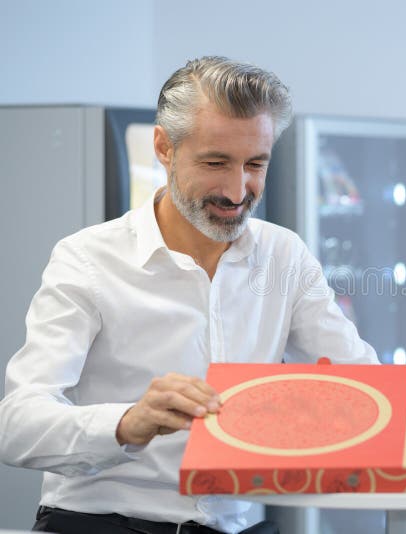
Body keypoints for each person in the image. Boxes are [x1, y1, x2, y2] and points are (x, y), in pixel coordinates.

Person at [0, 56, 378, 534]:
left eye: (255, 164)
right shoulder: (88, 259)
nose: (237, 191)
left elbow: (364, 386)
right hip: (100, 525)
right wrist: (127, 423)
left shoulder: (284, 256)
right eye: (215, 163)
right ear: (164, 147)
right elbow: (16, 426)